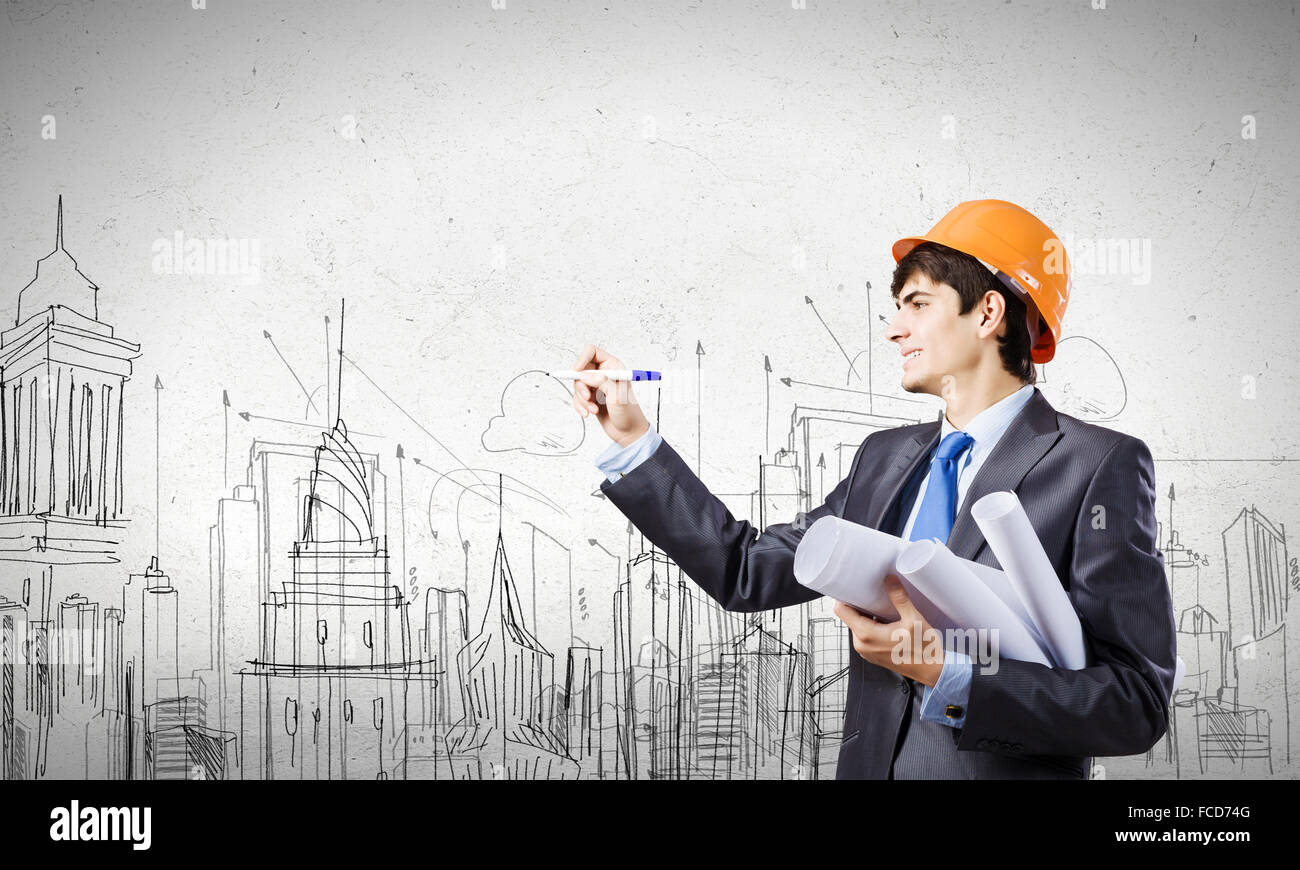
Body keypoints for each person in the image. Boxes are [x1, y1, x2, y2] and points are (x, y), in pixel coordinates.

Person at [569, 199, 1177, 779]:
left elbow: (1135, 703)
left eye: (917, 304)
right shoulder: (885, 460)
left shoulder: (1099, 465)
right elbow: (745, 569)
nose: (894, 330)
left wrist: (951, 673)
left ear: (988, 314)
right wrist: (633, 441)